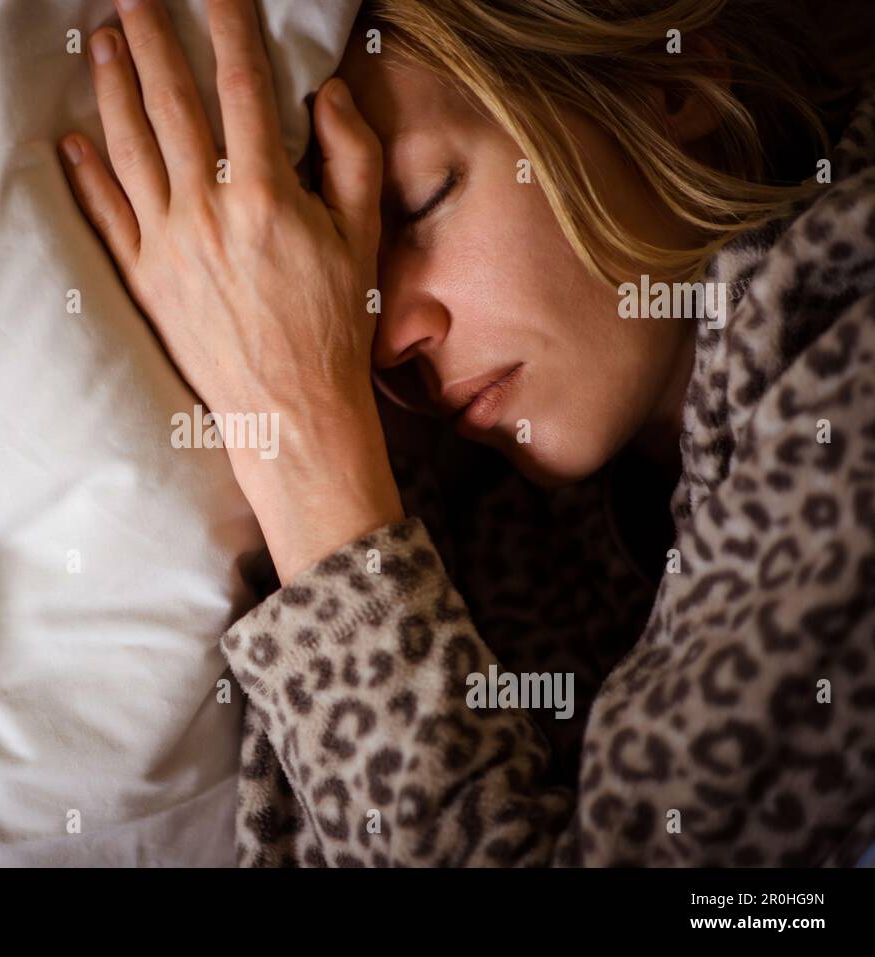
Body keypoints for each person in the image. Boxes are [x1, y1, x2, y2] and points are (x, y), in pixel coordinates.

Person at [57, 0, 875, 866]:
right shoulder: (530, 537)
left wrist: (305, 434)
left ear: (670, 85)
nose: (379, 339)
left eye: (419, 203)